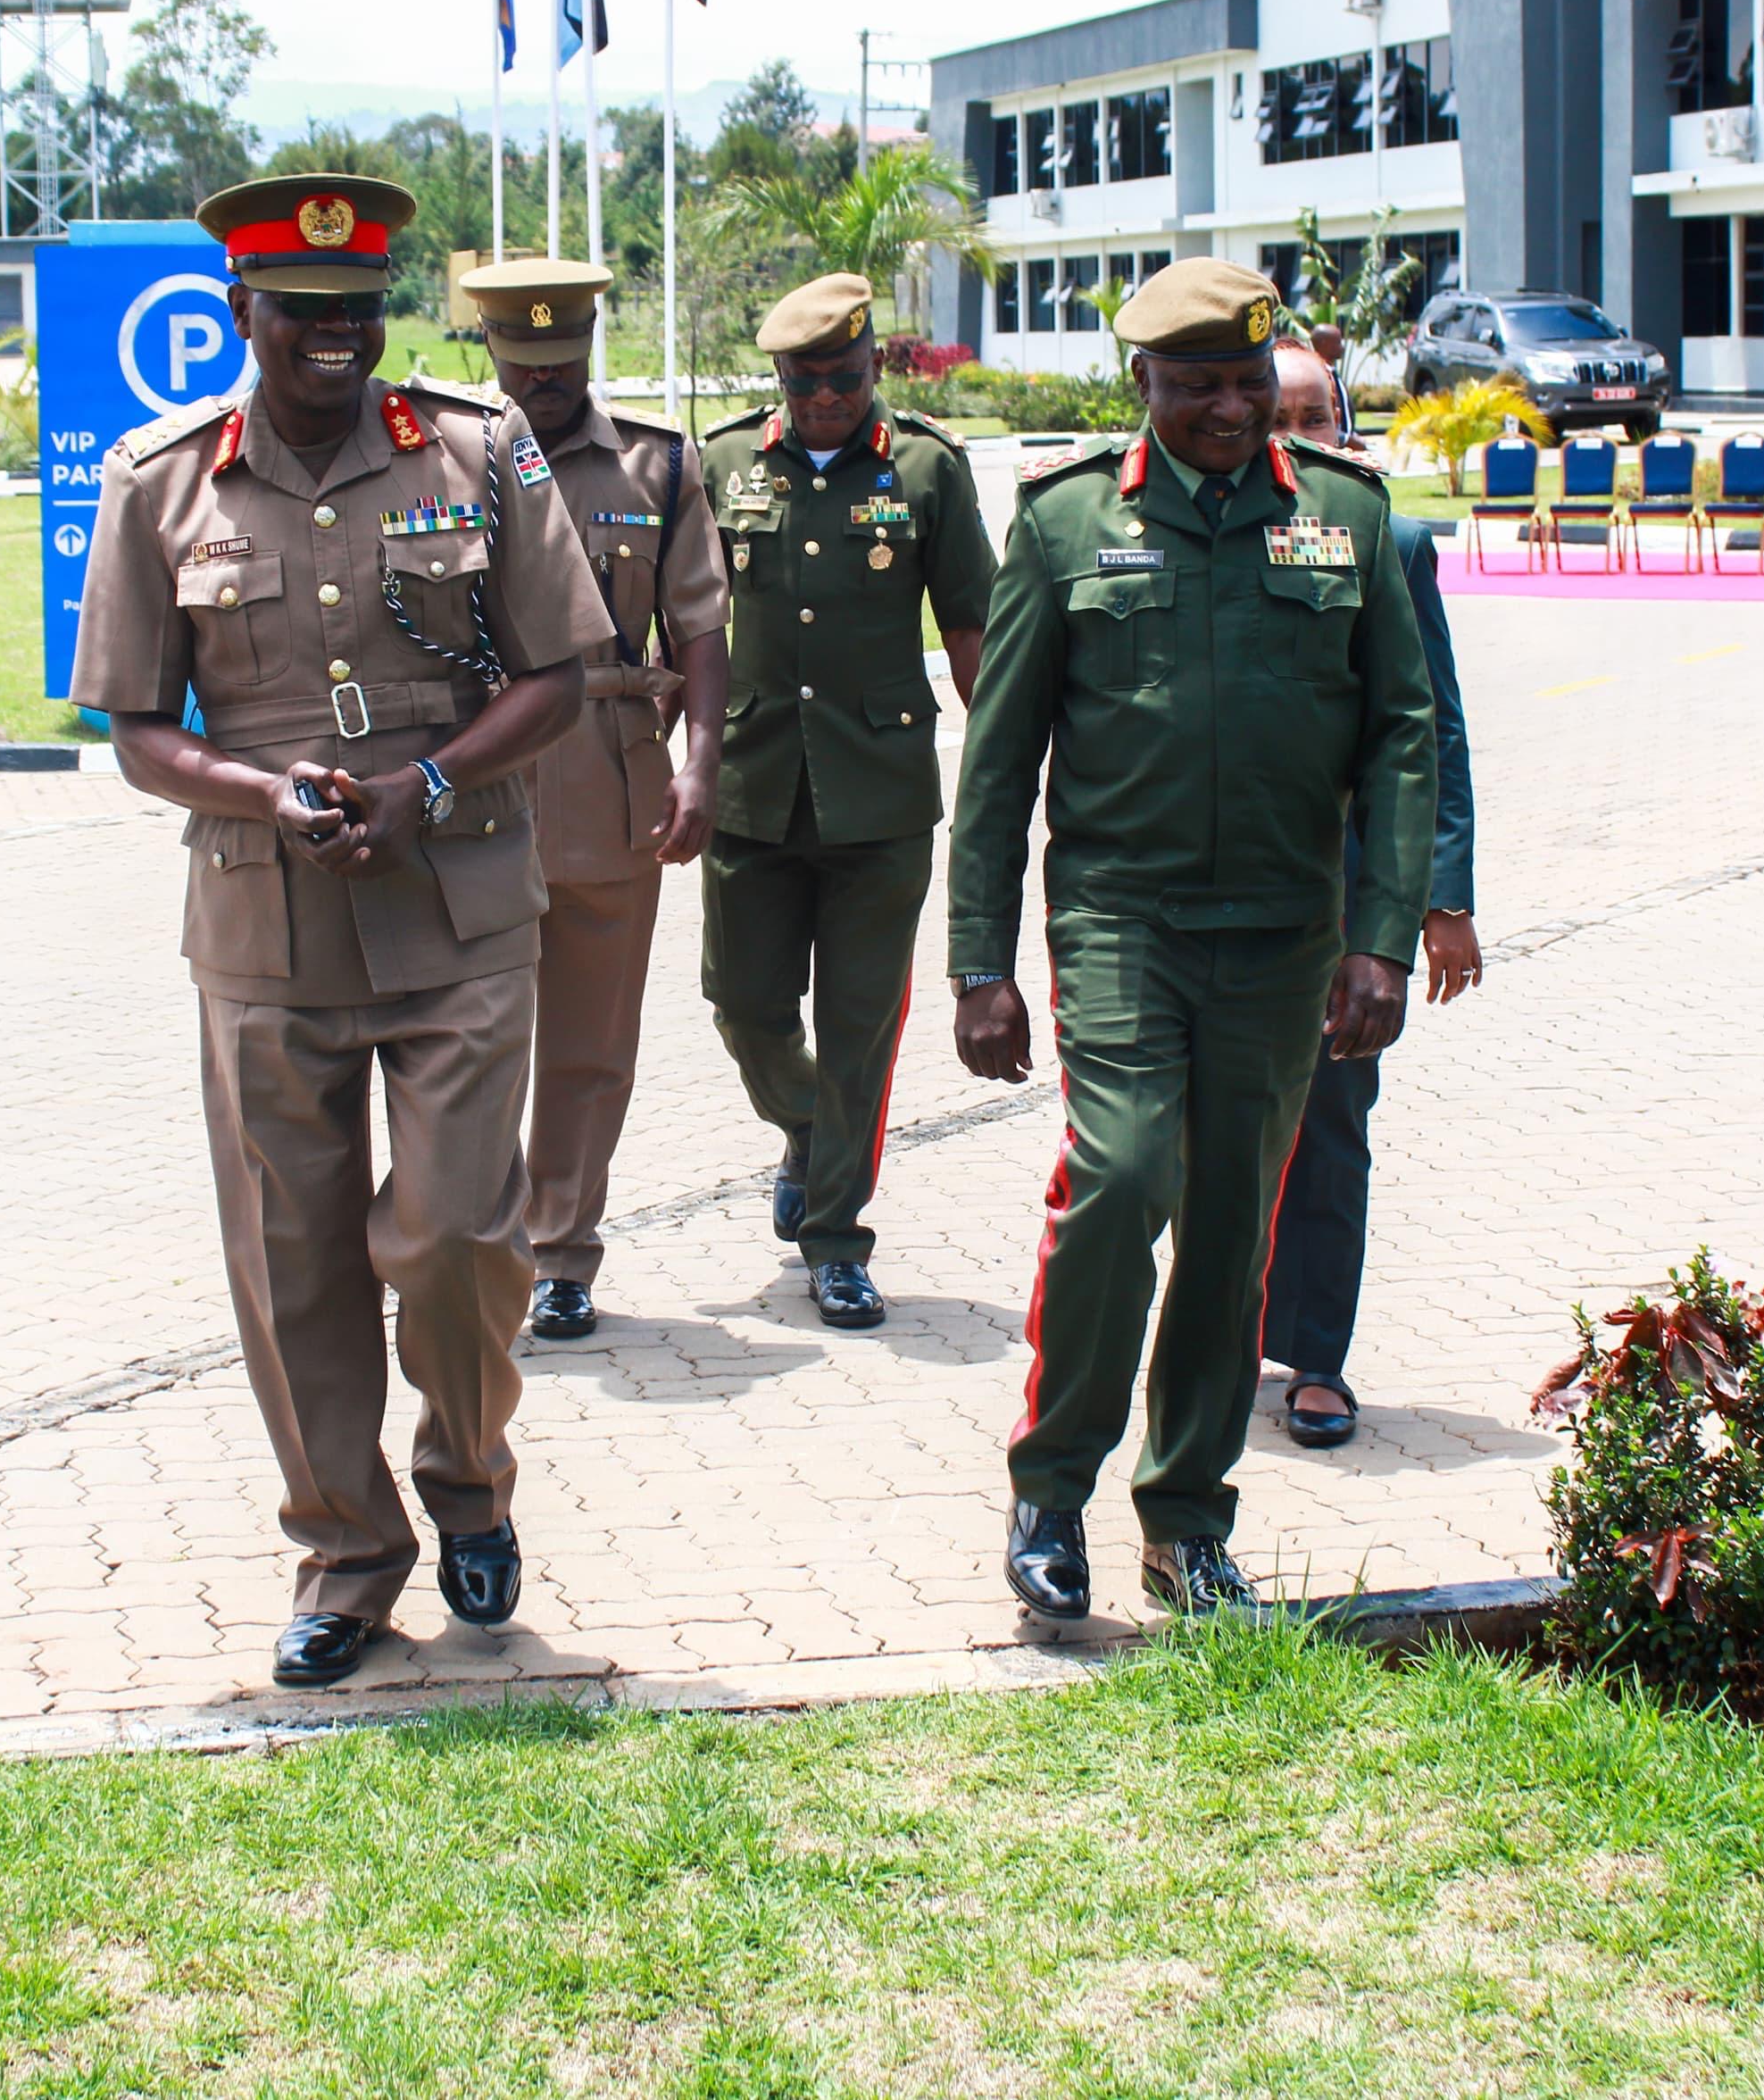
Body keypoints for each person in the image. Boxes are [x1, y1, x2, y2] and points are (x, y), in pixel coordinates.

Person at [74, 174, 614, 1689]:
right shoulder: (162, 482)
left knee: (453, 1233)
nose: (338, 338)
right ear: (241, 313)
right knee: (292, 1255)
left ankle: (468, 1476)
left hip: (456, 907)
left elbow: (563, 675)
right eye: (304, 314)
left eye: (362, 312)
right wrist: (261, 787)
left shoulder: (479, 452)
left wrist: (431, 777)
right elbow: (131, 727)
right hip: (266, 923)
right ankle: (347, 1551)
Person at [948, 259, 1437, 1621]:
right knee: (1122, 1173)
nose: (1230, 406)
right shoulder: (1063, 525)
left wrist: (1383, 935)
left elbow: (1405, 737)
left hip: (1288, 934)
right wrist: (979, 966)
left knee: (1234, 1223)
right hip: (1123, 917)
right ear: (1142, 384)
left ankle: (1186, 1519)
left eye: (1247, 379)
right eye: (1199, 382)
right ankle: (1052, 1487)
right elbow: (999, 768)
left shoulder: (1344, 518)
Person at [697, 272, 995, 1332]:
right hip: (752, 786)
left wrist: (1007, 770)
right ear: (777, 376)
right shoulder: (724, 463)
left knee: (859, 1029)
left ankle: (835, 1239)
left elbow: (972, 631)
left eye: (844, 375)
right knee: (744, 1009)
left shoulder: (925, 469)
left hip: (879, 799)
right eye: (803, 377)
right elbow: (685, 628)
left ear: (876, 365)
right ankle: (812, 1133)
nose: (824, 395)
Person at [456, 256, 728, 1343]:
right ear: (489, 354)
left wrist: (700, 765)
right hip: (476, 772)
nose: (542, 389)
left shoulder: (655, 466)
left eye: (561, 369)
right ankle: (471, 1244)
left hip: (612, 766)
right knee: (468, 1030)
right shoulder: (437, 458)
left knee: (586, 1038)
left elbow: (700, 629)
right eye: (524, 371)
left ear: (587, 353)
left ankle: (561, 1252)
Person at [1262, 341, 1482, 1448]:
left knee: (1331, 1122)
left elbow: (1430, 729)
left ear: (1348, 433)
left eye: (1316, 419)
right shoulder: (1200, 532)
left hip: (1348, 898)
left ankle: (1315, 1358)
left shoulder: (1390, 542)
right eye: (1277, 417)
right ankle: (1210, 1338)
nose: (1295, 442)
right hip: (1222, 890)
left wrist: (1439, 899)